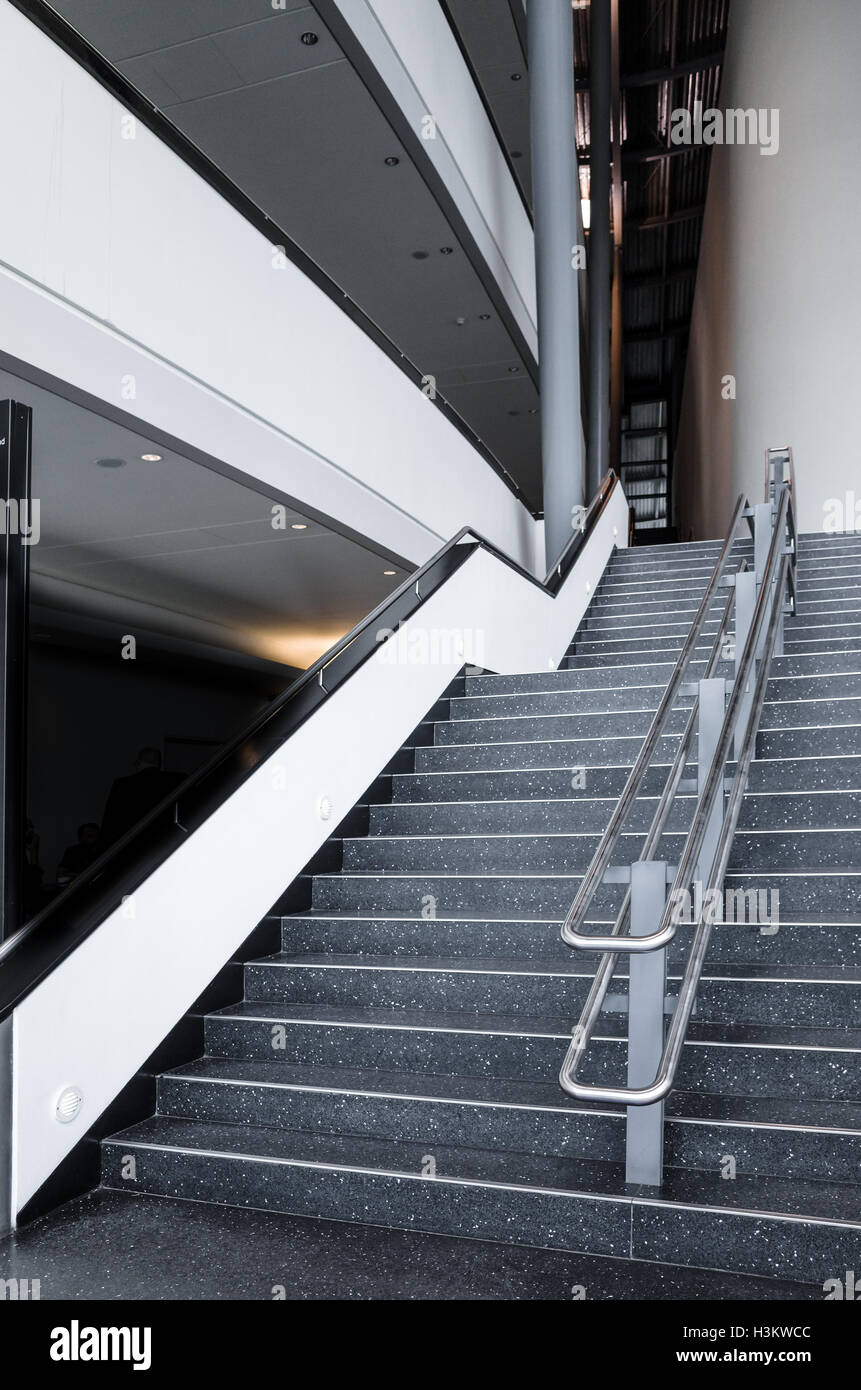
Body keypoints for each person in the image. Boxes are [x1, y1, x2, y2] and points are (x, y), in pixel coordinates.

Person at [100, 748, 183, 846]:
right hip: (167, 838)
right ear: (159, 763)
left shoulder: (123, 784)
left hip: (134, 840)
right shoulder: (177, 780)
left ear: (139, 762)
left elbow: (111, 818)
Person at [56, 822, 101, 887]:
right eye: (90, 836)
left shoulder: (103, 851)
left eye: (97, 836)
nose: (95, 839)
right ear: (81, 837)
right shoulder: (72, 852)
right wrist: (81, 876)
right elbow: (61, 875)